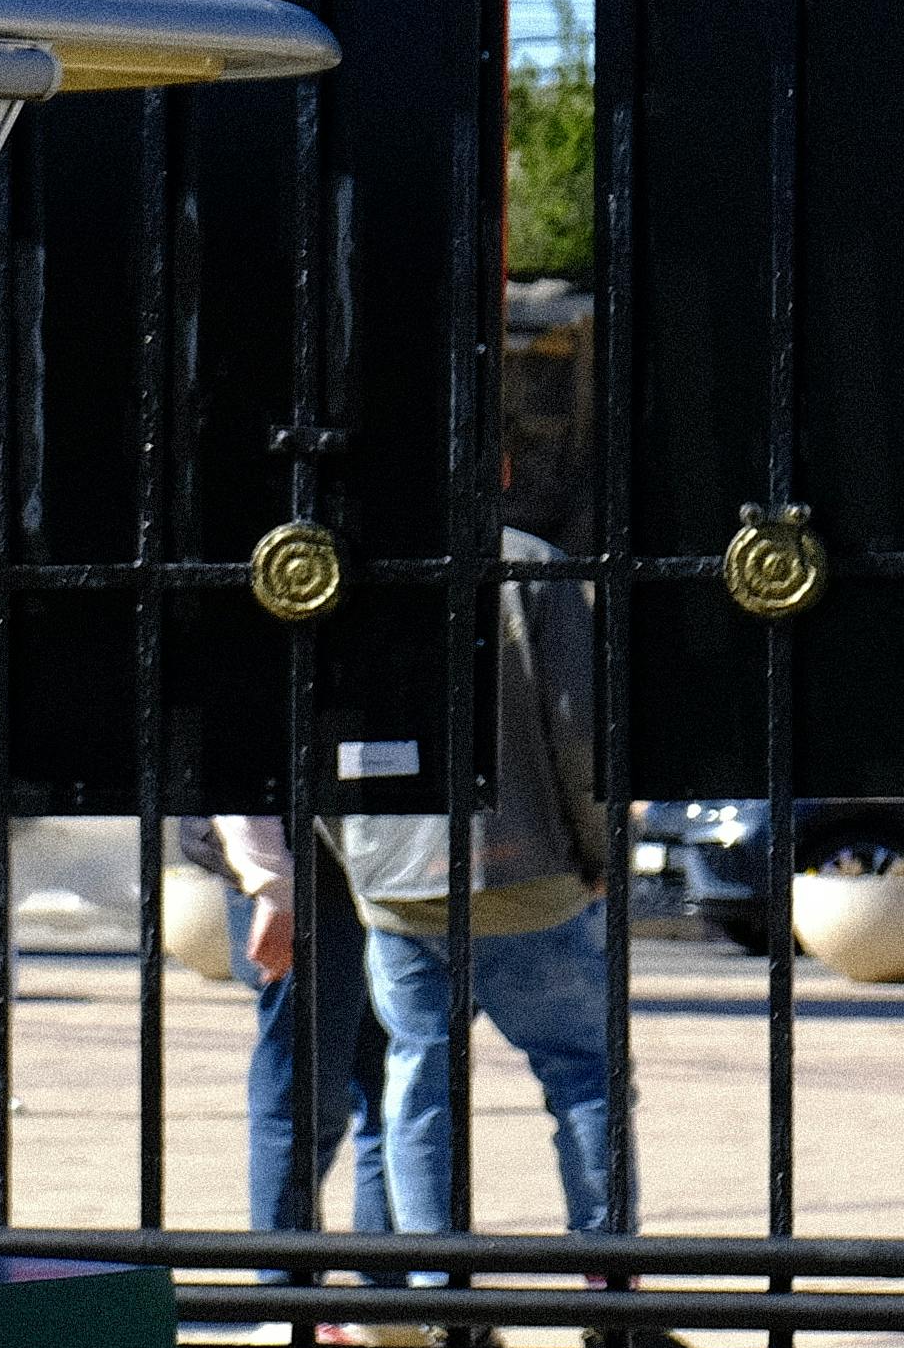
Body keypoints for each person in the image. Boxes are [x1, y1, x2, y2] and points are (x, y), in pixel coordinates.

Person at [331, 521, 627, 1243]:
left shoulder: (351, 556)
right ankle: (606, 1270)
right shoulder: (530, 562)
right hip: (531, 872)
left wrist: (359, 859)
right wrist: (600, 852)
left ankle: (434, 1280)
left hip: (402, 884)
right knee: (586, 1077)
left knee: (419, 1084)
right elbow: (579, 729)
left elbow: (312, 729)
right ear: (499, 470)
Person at [212, 816, 390, 1235]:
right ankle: (288, 1264)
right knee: (304, 1100)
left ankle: (387, 1261)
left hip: (382, 865)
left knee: (389, 1093)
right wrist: (275, 887)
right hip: (304, 867)